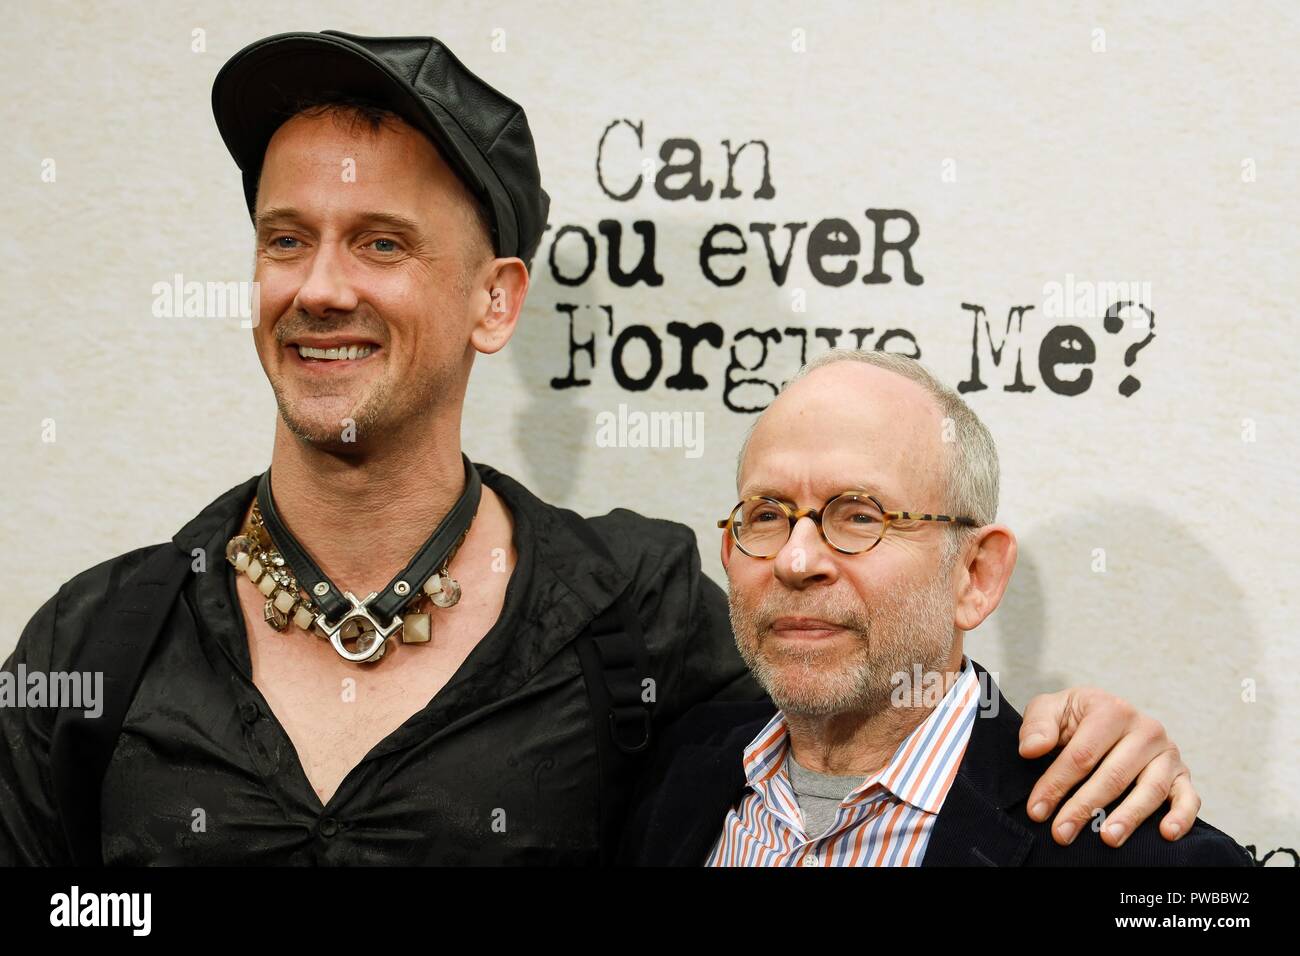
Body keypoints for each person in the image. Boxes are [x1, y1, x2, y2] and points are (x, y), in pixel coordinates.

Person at [1, 31, 1203, 866]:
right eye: (284, 238)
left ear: (495, 301)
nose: (319, 287)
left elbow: (863, 706)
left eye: (380, 242)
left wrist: (1080, 741)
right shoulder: (95, 640)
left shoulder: (636, 612)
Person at [618, 350, 1251, 866]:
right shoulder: (669, 770)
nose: (796, 559)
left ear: (975, 575)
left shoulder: (1145, 861)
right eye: (766, 515)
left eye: (859, 515)